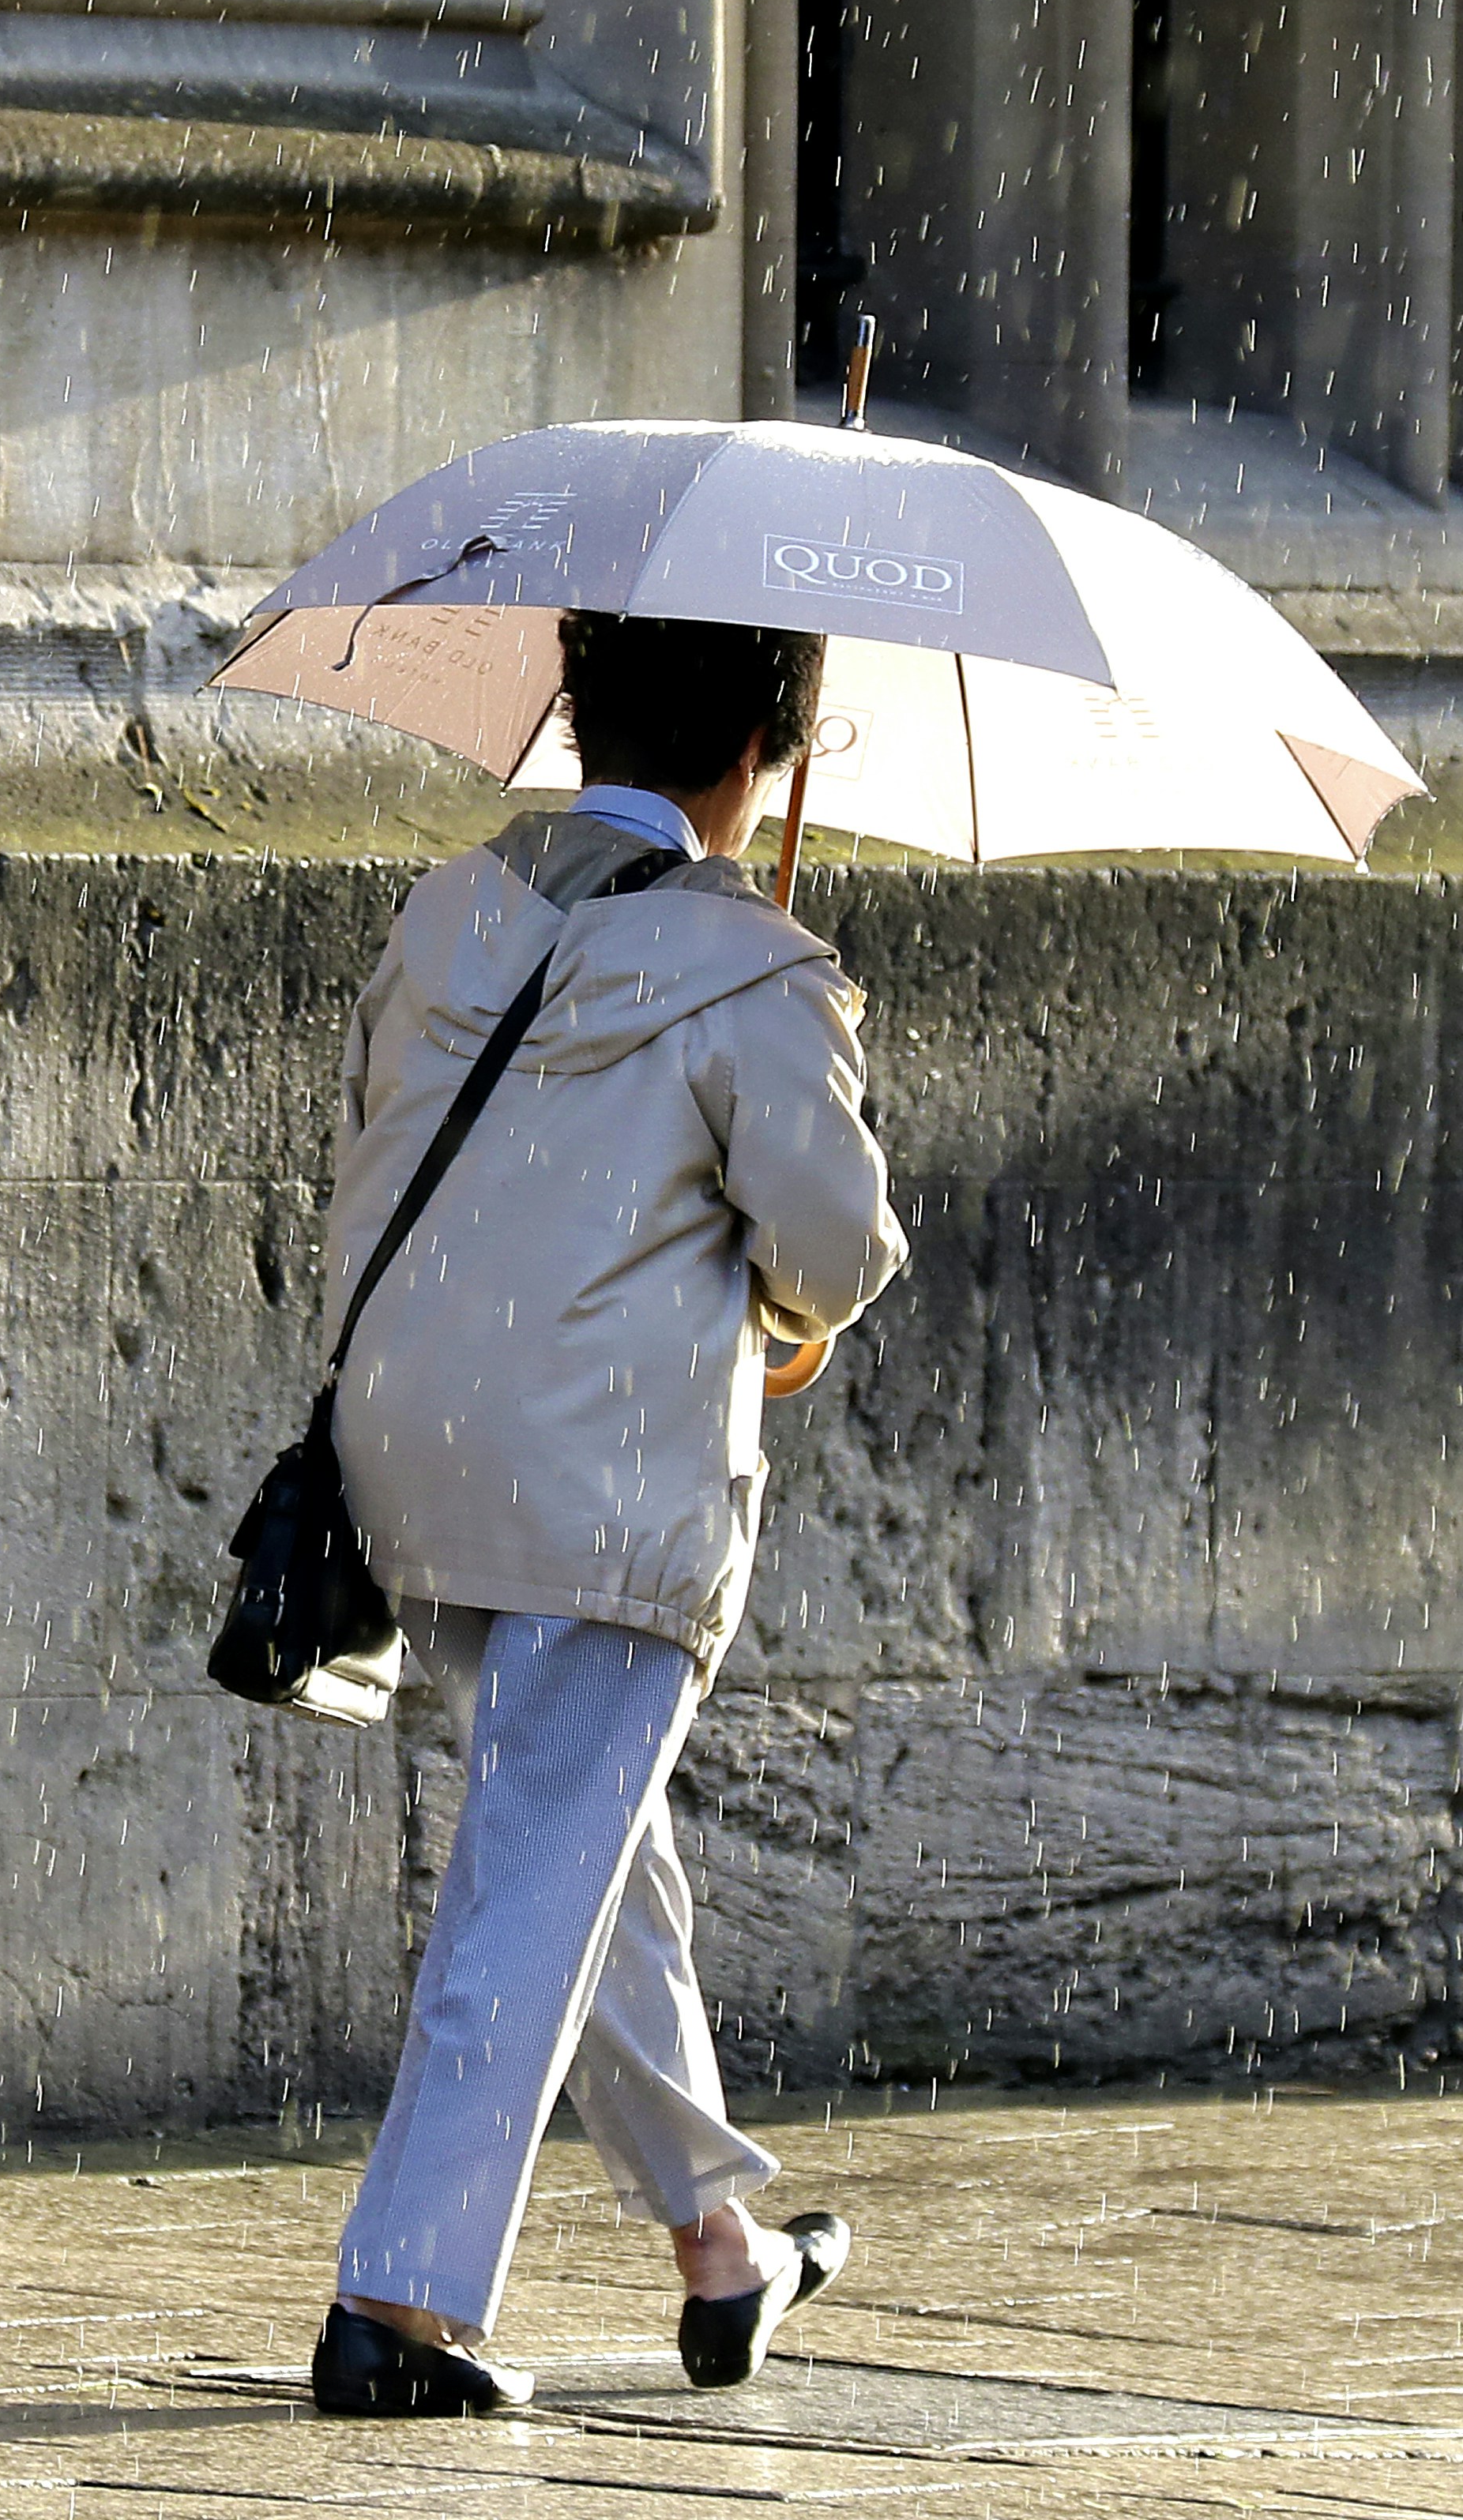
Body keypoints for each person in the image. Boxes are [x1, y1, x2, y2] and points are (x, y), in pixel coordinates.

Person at [304, 613, 906, 2416]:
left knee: (583, 1834)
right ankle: (398, 2310)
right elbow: (833, 1243)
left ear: (580, 716)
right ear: (765, 749)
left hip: (420, 1443)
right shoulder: (745, 966)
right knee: (534, 1874)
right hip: (606, 1479)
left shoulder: (454, 907)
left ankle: (722, 2247)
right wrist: (782, 1314)